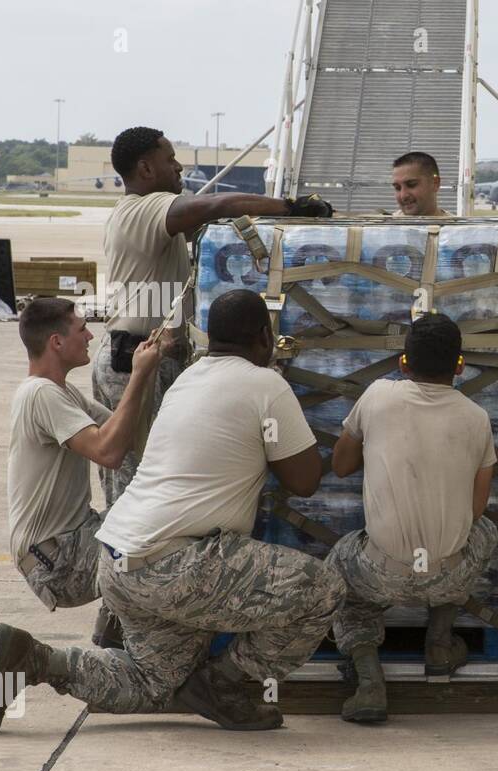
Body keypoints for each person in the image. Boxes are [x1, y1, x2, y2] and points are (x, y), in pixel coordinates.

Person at [0, 290, 345, 734]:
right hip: (172, 564)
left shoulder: (187, 381)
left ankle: (36, 659)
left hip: (118, 561)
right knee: (324, 590)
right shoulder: (266, 384)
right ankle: (225, 682)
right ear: (265, 338)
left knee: (156, 684)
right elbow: (304, 480)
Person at [94, 125, 334, 506]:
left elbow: (212, 226)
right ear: (145, 169)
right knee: (135, 476)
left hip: (150, 354)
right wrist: (291, 207)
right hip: (134, 360)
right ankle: (122, 559)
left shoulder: (152, 218)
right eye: (170, 159)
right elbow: (217, 205)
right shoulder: (145, 208)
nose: (178, 167)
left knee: (155, 468)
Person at [325, 313, 498, 724]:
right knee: (485, 532)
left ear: (403, 363)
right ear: (460, 365)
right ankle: (439, 643)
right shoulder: (478, 418)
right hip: (449, 574)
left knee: (340, 569)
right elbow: (476, 509)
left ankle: (369, 680)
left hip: (380, 571)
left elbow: (342, 466)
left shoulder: (377, 396)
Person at [5, 297, 162, 649]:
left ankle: (118, 619)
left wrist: (149, 371)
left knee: (159, 519)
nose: (90, 336)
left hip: (70, 541)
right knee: (167, 545)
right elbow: (107, 452)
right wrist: (138, 373)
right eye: (81, 330)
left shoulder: (63, 392)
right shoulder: (41, 395)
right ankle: (133, 635)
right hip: (56, 560)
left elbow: (127, 438)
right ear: (56, 343)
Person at [391, 151, 453, 217]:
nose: (403, 196)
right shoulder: (384, 225)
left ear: (435, 183)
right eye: (397, 188)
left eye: (411, 185)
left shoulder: (457, 226)